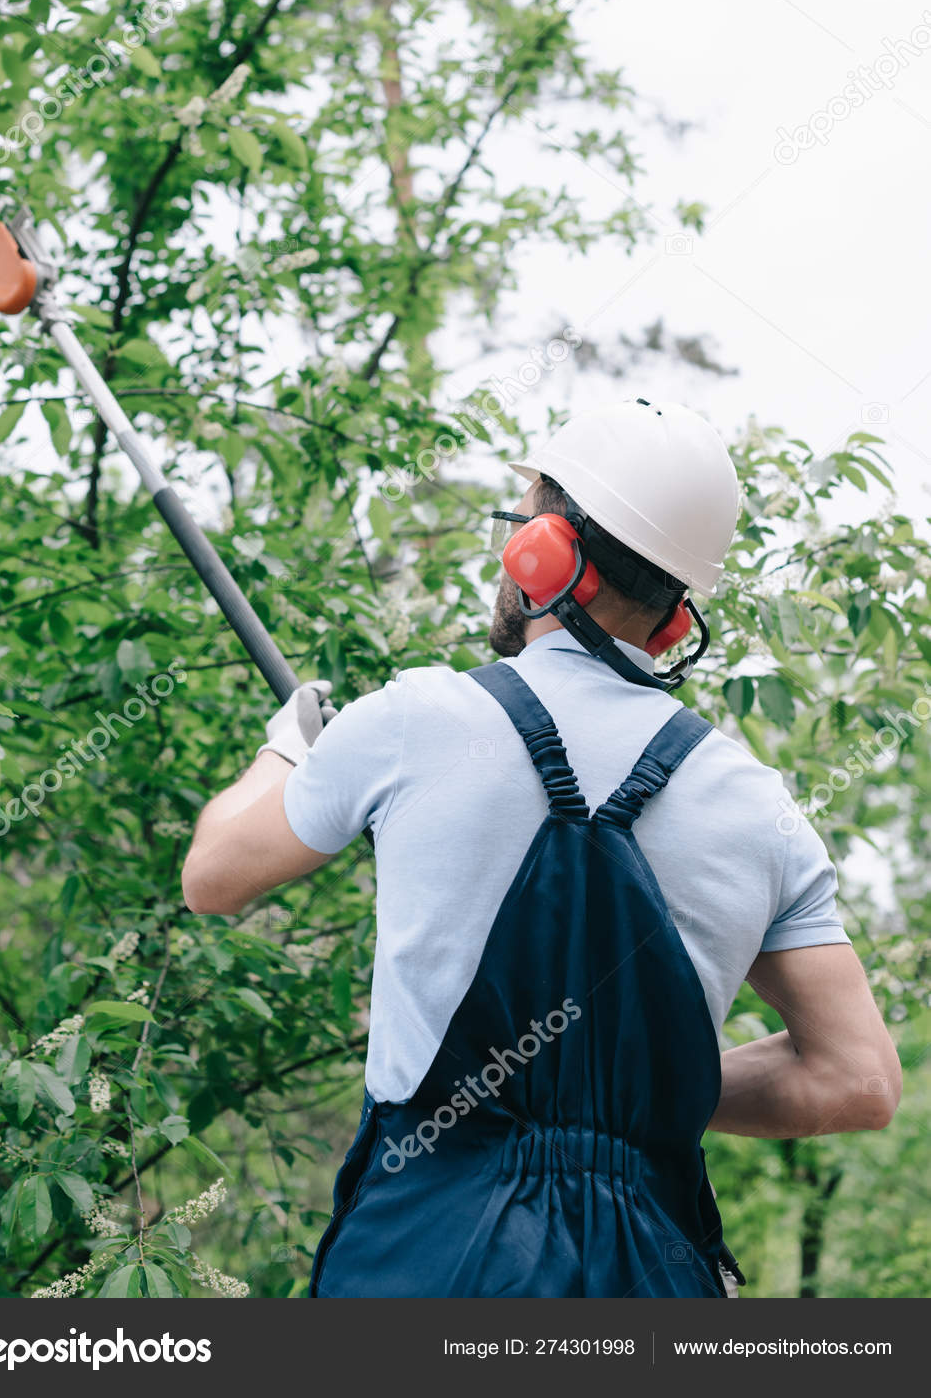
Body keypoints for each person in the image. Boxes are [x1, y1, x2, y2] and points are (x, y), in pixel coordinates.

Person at [181, 397, 901, 1298]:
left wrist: (286, 748)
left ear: (546, 555)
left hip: (430, 1250)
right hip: (653, 1267)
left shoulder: (413, 718)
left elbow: (212, 877)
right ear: (676, 618)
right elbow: (858, 1081)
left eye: (517, 524)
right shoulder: (760, 806)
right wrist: (641, 1091)